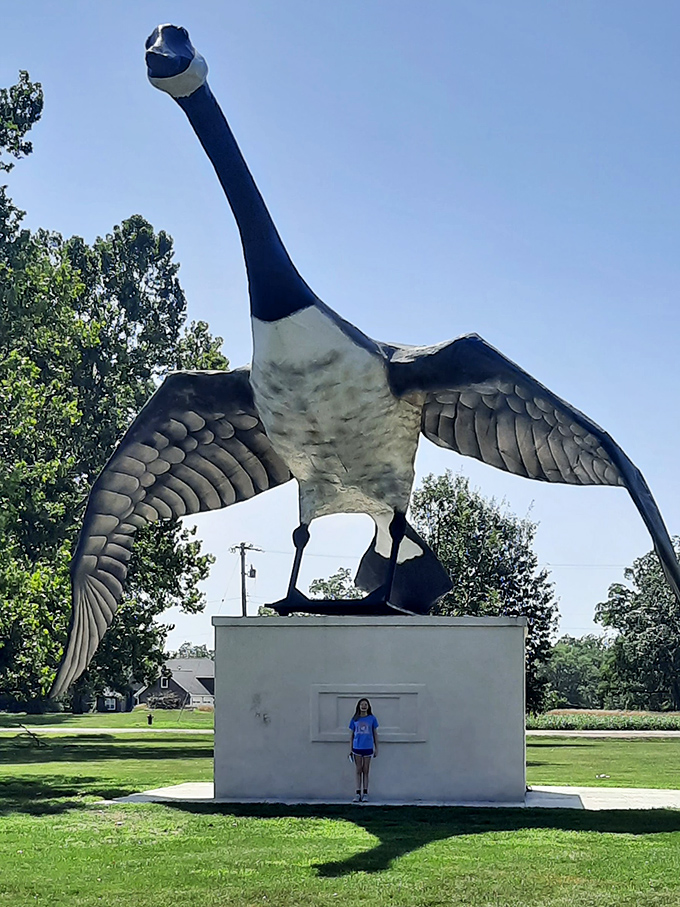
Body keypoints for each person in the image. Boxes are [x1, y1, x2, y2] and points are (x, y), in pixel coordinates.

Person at [349, 697, 379, 802]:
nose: (363, 706)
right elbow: (351, 735)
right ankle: (357, 793)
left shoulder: (372, 719)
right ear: (358, 706)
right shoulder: (355, 719)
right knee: (358, 770)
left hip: (368, 747)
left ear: (368, 706)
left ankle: (365, 793)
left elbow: (375, 734)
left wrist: (376, 748)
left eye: (365, 704)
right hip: (357, 748)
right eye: (362, 704)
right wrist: (350, 749)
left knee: (366, 770)